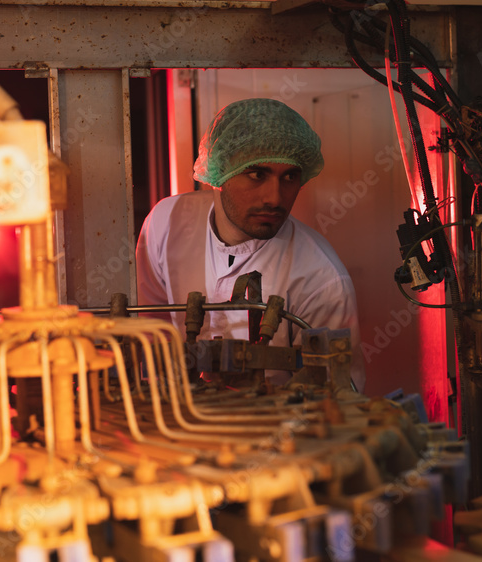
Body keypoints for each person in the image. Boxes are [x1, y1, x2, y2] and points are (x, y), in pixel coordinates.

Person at [135, 98, 365, 391]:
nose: (275, 198)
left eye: (290, 177)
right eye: (257, 174)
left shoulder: (322, 279)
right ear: (220, 173)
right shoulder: (166, 223)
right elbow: (150, 332)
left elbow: (337, 398)